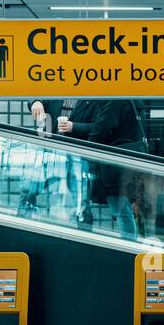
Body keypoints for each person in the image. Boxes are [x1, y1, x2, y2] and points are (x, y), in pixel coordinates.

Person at [34, 98, 147, 239]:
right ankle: (130, 244)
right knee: (120, 208)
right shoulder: (127, 100)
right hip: (119, 161)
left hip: (112, 163)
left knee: (119, 208)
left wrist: (78, 136)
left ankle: (128, 245)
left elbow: (101, 129)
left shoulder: (112, 100)